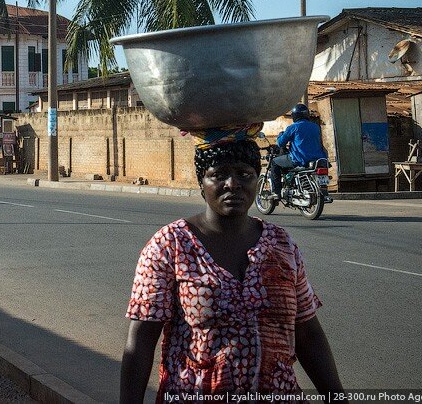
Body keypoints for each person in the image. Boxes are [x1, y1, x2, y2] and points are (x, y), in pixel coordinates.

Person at [120, 128, 342, 401]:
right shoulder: (171, 245)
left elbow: (307, 331)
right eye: (219, 174)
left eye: (244, 174)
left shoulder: (281, 244)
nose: (232, 183)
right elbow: (141, 341)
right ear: (202, 182)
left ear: (257, 180)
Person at [270, 103, 327, 199]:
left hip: (299, 159)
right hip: (318, 159)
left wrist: (281, 135)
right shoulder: (315, 127)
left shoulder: (293, 127)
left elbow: (280, 143)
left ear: (294, 116)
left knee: (274, 162)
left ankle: (277, 192)